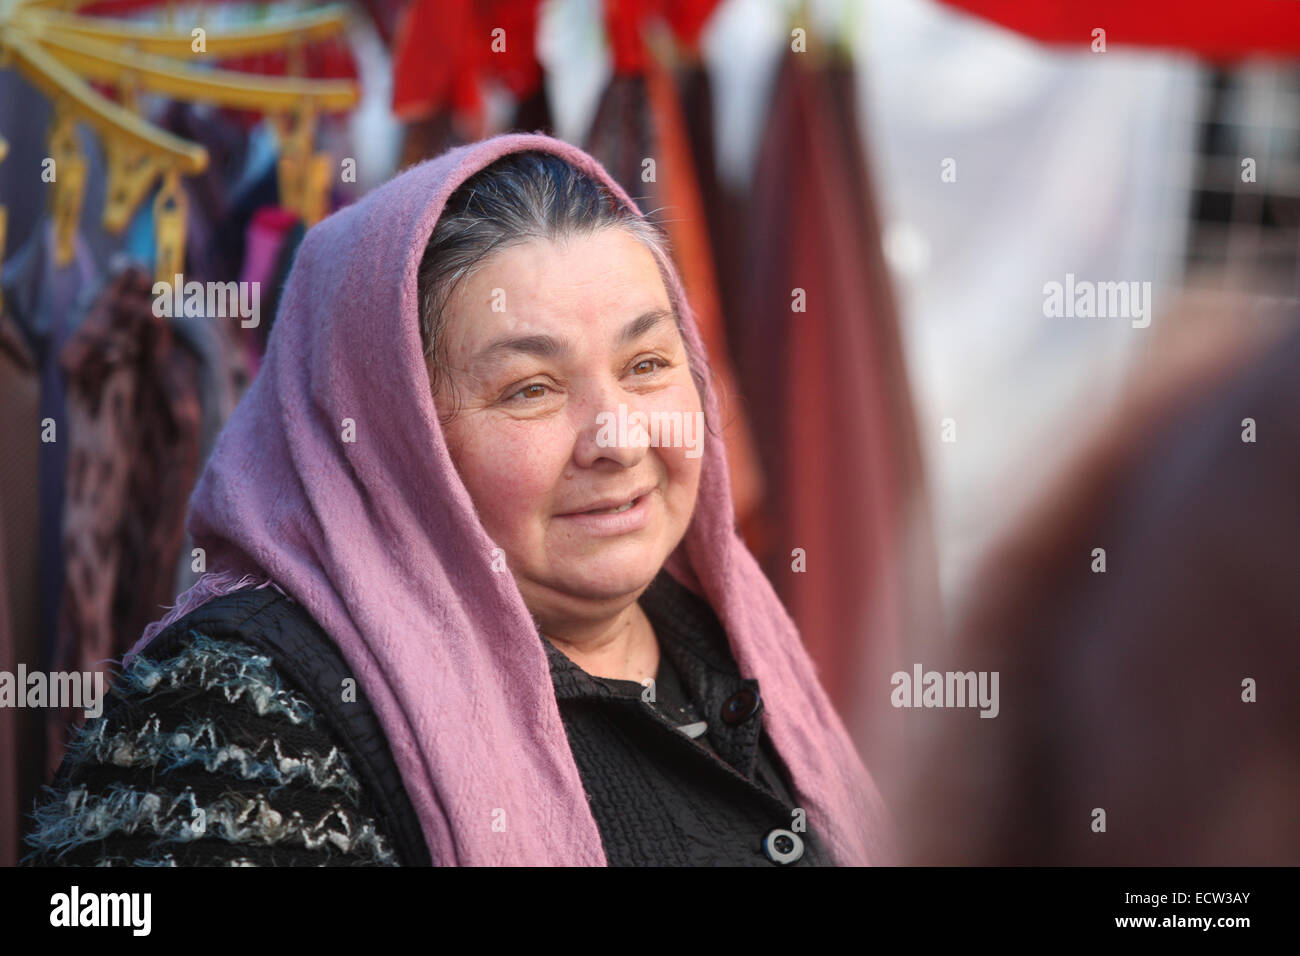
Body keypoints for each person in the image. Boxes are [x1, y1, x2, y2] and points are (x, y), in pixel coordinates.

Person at [23, 133, 895, 866]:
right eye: (531, 389)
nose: (620, 439)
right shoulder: (238, 719)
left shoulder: (724, 634)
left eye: (647, 367)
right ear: (395, 432)